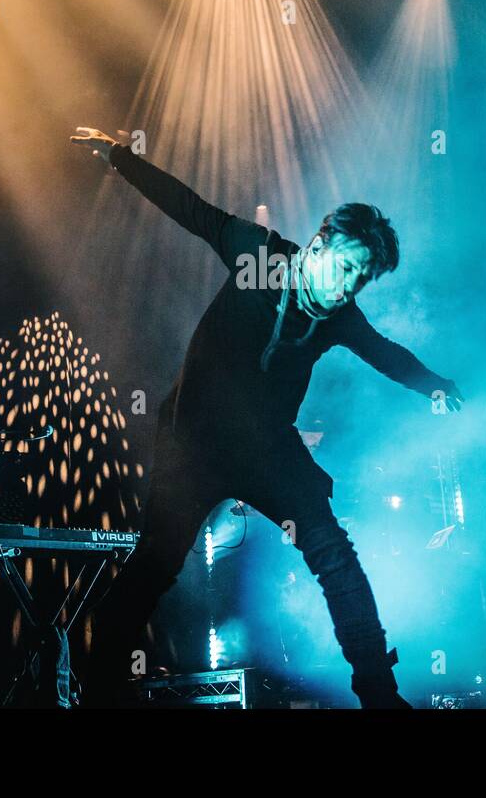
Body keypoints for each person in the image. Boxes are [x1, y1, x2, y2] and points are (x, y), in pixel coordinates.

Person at [70, 127, 463, 708]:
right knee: (156, 564)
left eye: (361, 279)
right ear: (320, 243)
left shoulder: (339, 318)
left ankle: (380, 695)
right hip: (194, 442)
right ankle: (97, 683)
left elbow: (386, 353)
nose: (347, 286)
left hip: (267, 452)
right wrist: (120, 158)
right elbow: (190, 208)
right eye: (346, 267)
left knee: (333, 554)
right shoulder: (255, 251)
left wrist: (438, 387)